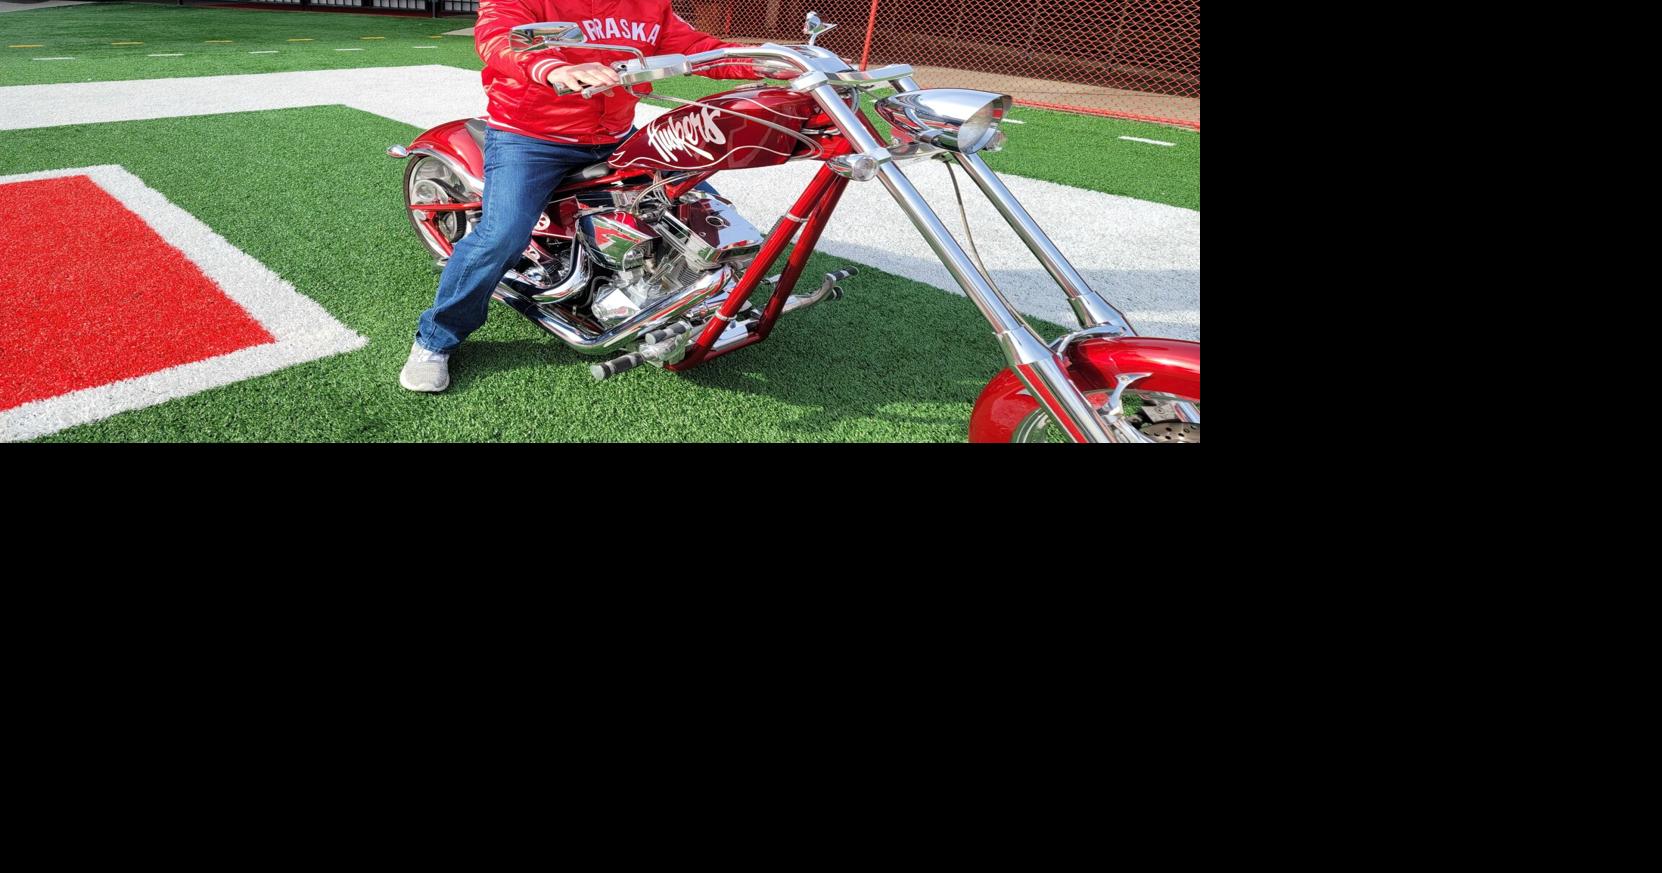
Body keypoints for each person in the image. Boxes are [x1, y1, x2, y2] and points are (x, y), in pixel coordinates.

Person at [401, 0, 770, 392]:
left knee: (700, 201)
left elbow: (698, 49)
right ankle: (435, 340)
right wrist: (554, 67)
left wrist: (765, 62)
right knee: (502, 235)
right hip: (531, 137)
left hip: (614, 135)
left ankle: (695, 289)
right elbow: (498, 38)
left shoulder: (649, 5)